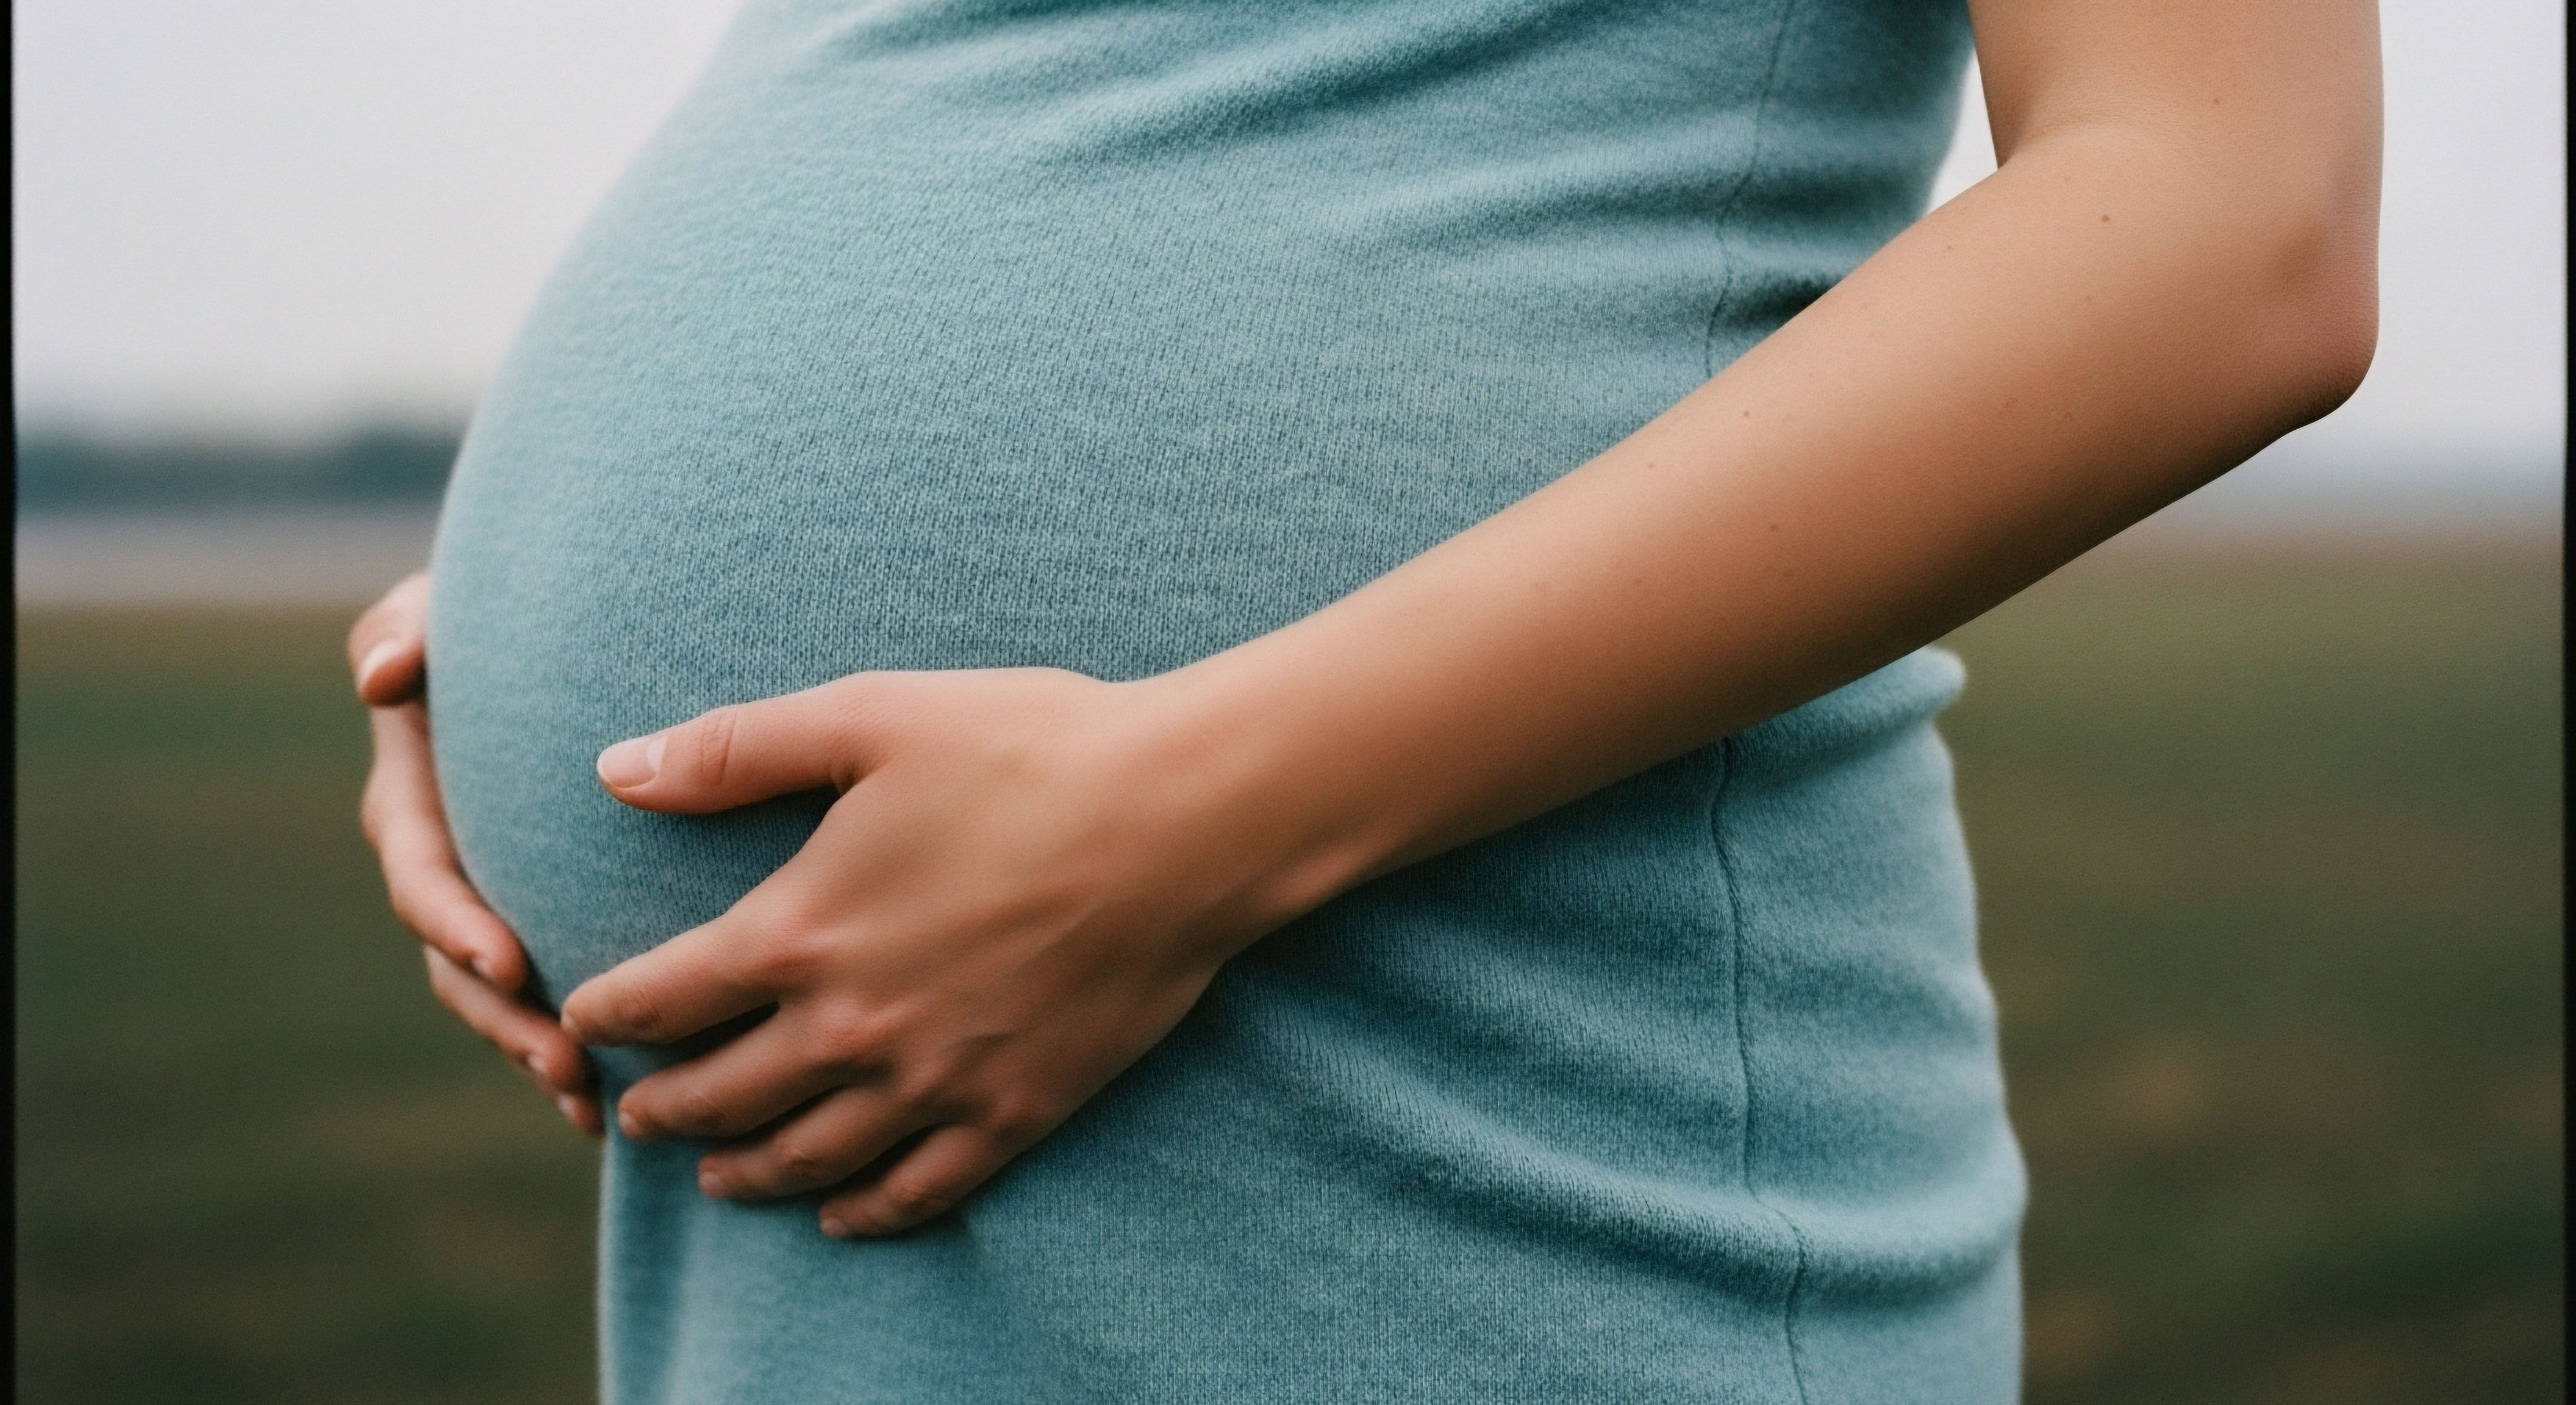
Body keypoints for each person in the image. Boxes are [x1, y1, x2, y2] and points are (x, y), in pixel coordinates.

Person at [349, 0, 2379, 1399]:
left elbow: (2232, 217)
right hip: (825, 1211)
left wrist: (1198, 807)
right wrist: (559, 559)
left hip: (1468, 1155)